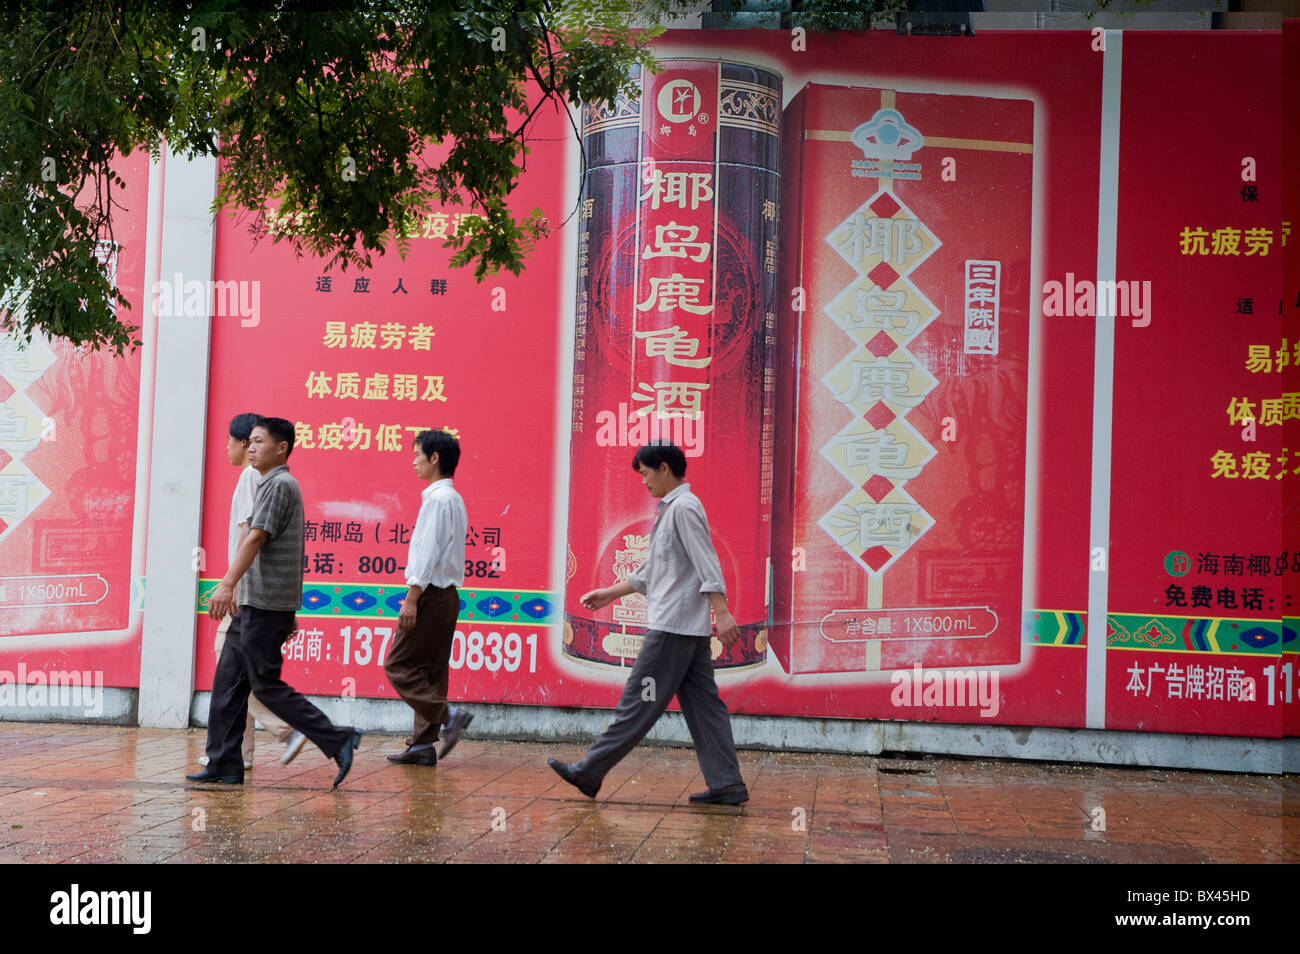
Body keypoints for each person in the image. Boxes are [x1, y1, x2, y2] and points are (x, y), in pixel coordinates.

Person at [548, 442, 749, 805]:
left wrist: (722, 611)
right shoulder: (672, 510)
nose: (644, 481)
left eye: (645, 473)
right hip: (686, 632)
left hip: (672, 630)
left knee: (639, 702)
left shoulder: (684, 508)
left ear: (665, 468)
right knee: (705, 708)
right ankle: (727, 784)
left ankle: (591, 770)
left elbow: (707, 562)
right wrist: (611, 593)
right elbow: (651, 572)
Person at [187, 417, 362, 787]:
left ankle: (337, 737)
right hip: (256, 604)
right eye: (248, 442)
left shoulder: (280, 484)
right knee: (227, 686)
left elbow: (255, 538)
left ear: (281, 448)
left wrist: (227, 584)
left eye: (259, 442)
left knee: (264, 685)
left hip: (264, 606)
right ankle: (224, 764)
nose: (251, 448)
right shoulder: (268, 482)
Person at [198, 412, 307, 771]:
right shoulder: (260, 478)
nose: (229, 448)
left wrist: (232, 586)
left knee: (237, 672)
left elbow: (253, 535)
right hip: (248, 594)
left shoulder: (253, 478)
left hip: (248, 595)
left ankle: (284, 732)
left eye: (234, 441)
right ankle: (236, 754)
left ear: (247, 443)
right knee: (236, 671)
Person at [384, 429, 474, 766]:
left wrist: (412, 597)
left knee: (398, 664)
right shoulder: (452, 498)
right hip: (447, 596)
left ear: (434, 458)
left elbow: (427, 552)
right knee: (431, 671)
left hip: (431, 595)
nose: (414, 460)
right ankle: (423, 746)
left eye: (418, 453)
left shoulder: (437, 500)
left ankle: (449, 716)